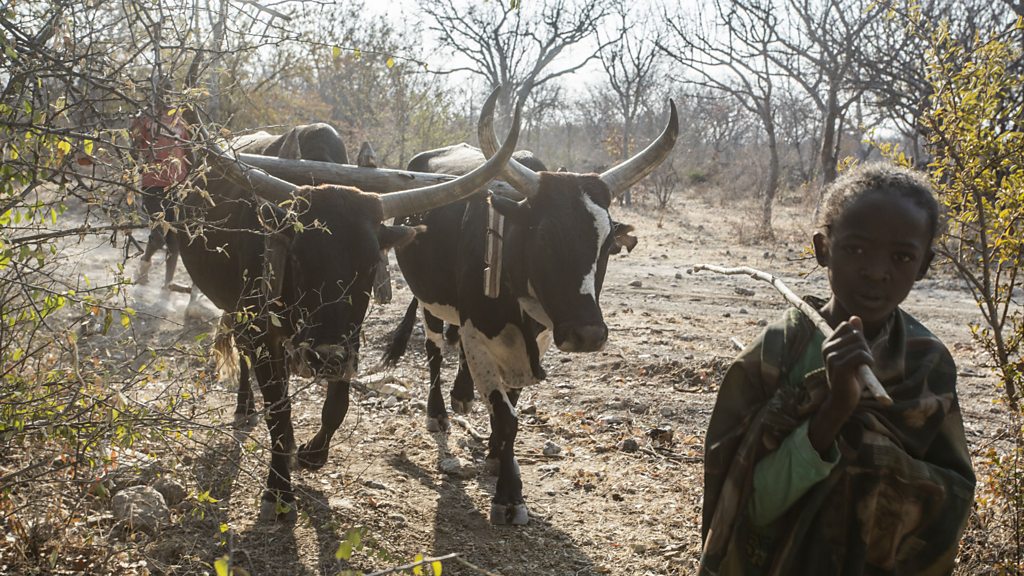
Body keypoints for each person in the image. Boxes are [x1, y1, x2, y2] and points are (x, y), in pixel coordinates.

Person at [699, 163, 976, 575]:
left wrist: (874, 460)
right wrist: (832, 413)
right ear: (823, 247)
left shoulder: (927, 361)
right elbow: (746, 506)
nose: (877, 271)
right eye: (857, 249)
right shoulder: (774, 356)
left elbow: (950, 500)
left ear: (923, 265)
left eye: (901, 257)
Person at [131, 83, 191, 288]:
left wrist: (189, 179)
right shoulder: (146, 118)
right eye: (161, 93)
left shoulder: (180, 120)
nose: (165, 98)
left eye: (168, 93)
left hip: (177, 184)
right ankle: (143, 269)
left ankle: (168, 283)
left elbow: (188, 150)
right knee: (158, 234)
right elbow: (134, 146)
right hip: (153, 183)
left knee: (175, 239)